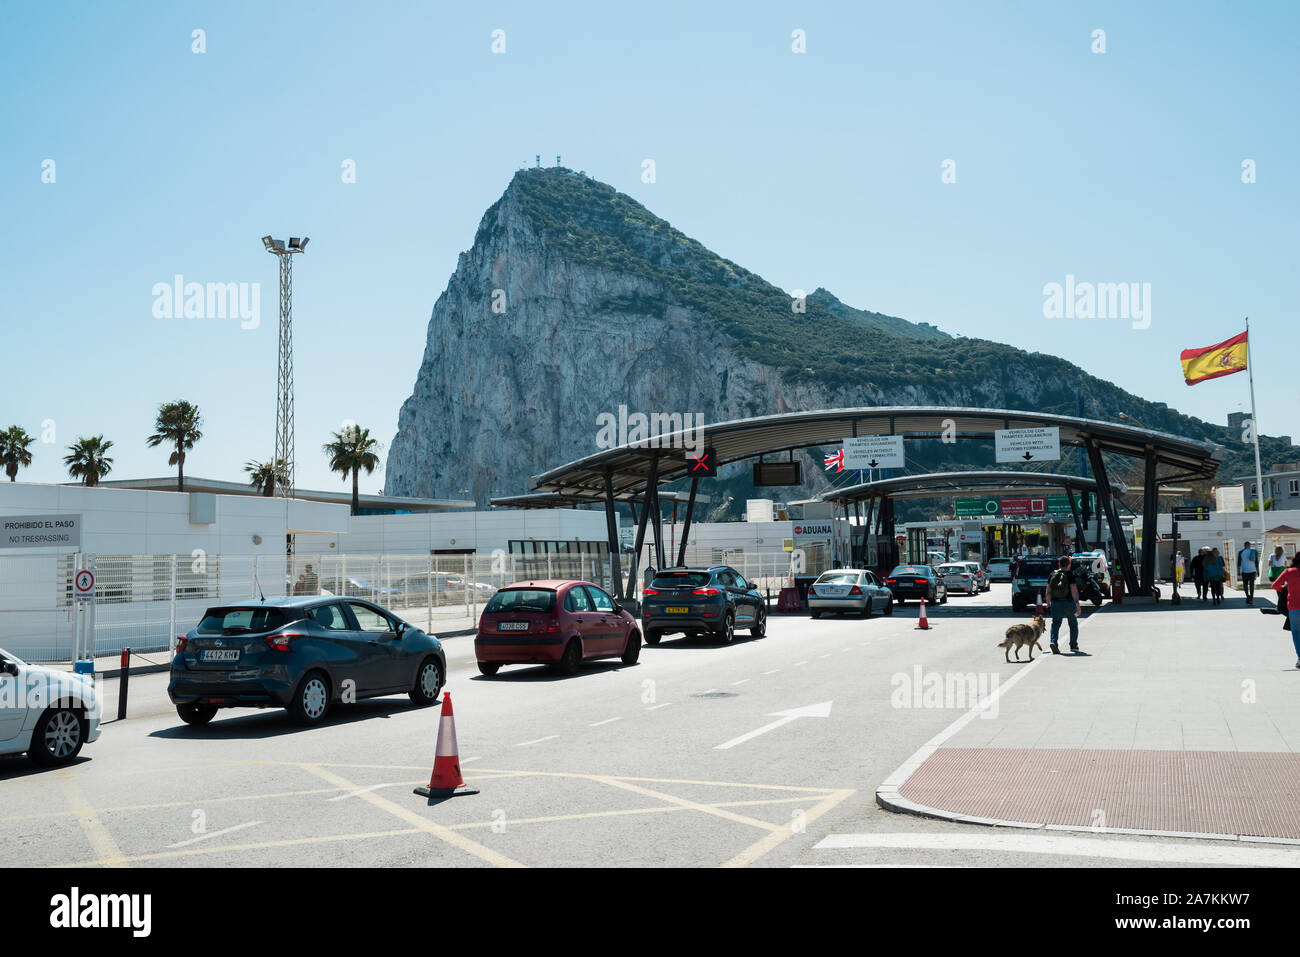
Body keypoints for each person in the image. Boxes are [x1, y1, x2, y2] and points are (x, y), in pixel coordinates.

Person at [1047, 555, 1081, 655]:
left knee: (1055, 623)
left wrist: (1048, 603)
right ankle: (1073, 645)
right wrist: (1077, 604)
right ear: (1068, 565)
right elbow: (1074, 590)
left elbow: (1048, 590)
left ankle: (1053, 642)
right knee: (1073, 623)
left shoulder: (1053, 574)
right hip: (1069, 603)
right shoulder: (1069, 574)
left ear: (1059, 564)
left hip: (1055, 602)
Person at [1272, 554, 1300, 669]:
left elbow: (1275, 585)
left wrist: (1284, 590)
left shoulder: (1288, 572)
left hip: (1293, 607)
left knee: (1296, 632)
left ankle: (1299, 658)